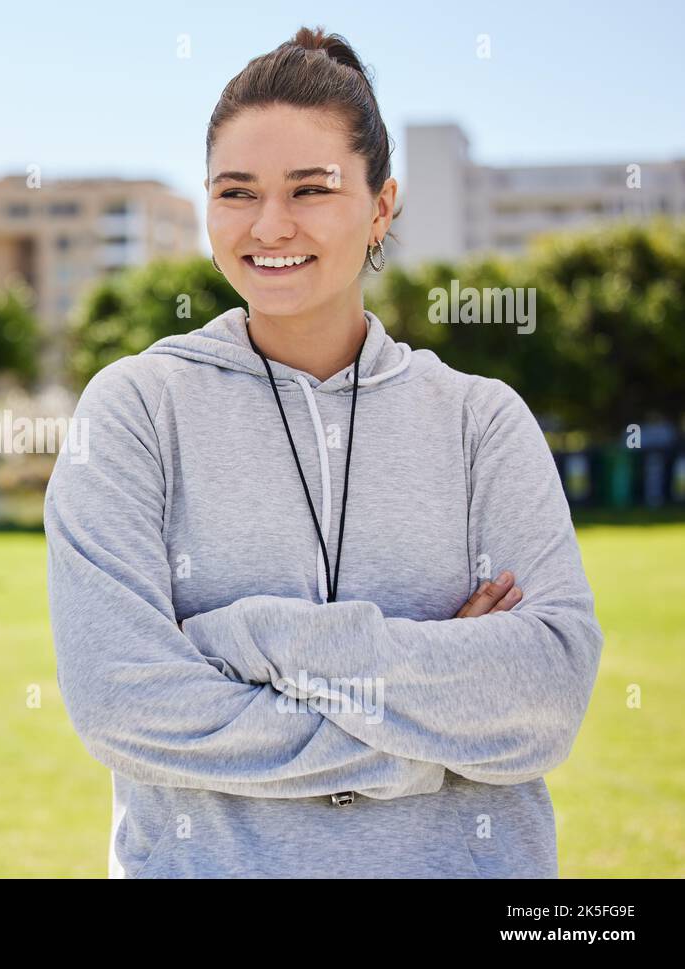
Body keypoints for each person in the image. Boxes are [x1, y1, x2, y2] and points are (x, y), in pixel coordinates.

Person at [44, 27, 604, 879]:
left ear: (382, 206)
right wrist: (423, 748)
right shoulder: (133, 413)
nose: (271, 224)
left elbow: (547, 693)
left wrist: (251, 638)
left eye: (312, 188)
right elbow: (124, 702)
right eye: (237, 191)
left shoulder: (481, 421)